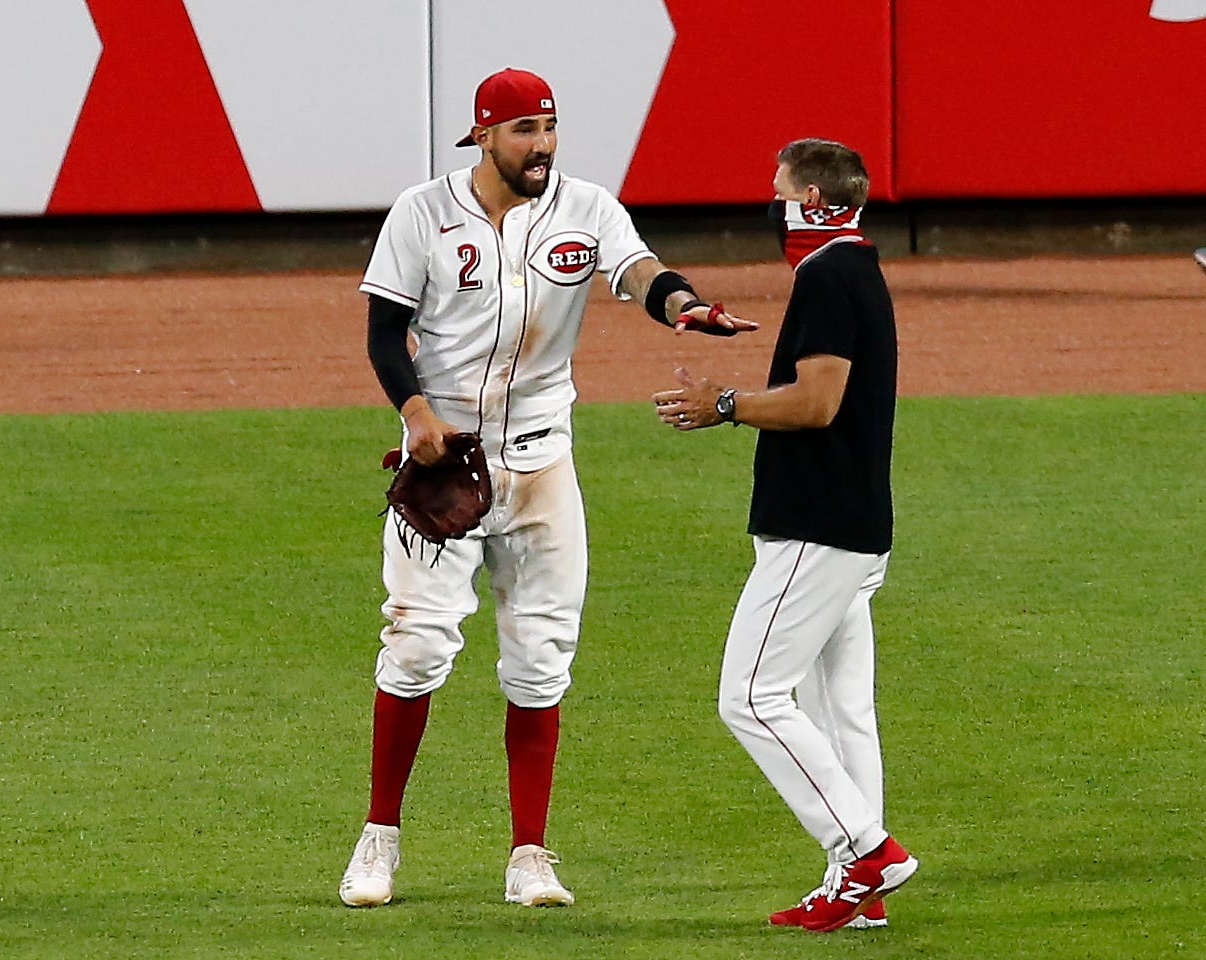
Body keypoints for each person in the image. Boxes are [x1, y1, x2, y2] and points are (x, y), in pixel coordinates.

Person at [339, 67, 756, 909]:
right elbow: (385, 331)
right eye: (525, 130)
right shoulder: (422, 212)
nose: (543, 145)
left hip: (540, 464)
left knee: (540, 663)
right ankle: (378, 839)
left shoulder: (587, 208)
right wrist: (414, 411)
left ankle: (530, 856)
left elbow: (639, 271)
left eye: (550, 127)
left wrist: (685, 306)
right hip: (443, 458)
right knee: (417, 647)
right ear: (484, 136)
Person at [651, 138, 917, 932]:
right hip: (851, 524)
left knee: (752, 696)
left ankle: (865, 849)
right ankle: (856, 889)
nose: (771, 203)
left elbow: (817, 402)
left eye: (779, 189)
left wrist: (723, 404)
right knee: (840, 712)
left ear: (810, 202)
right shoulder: (852, 266)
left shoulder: (831, 274)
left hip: (817, 528)